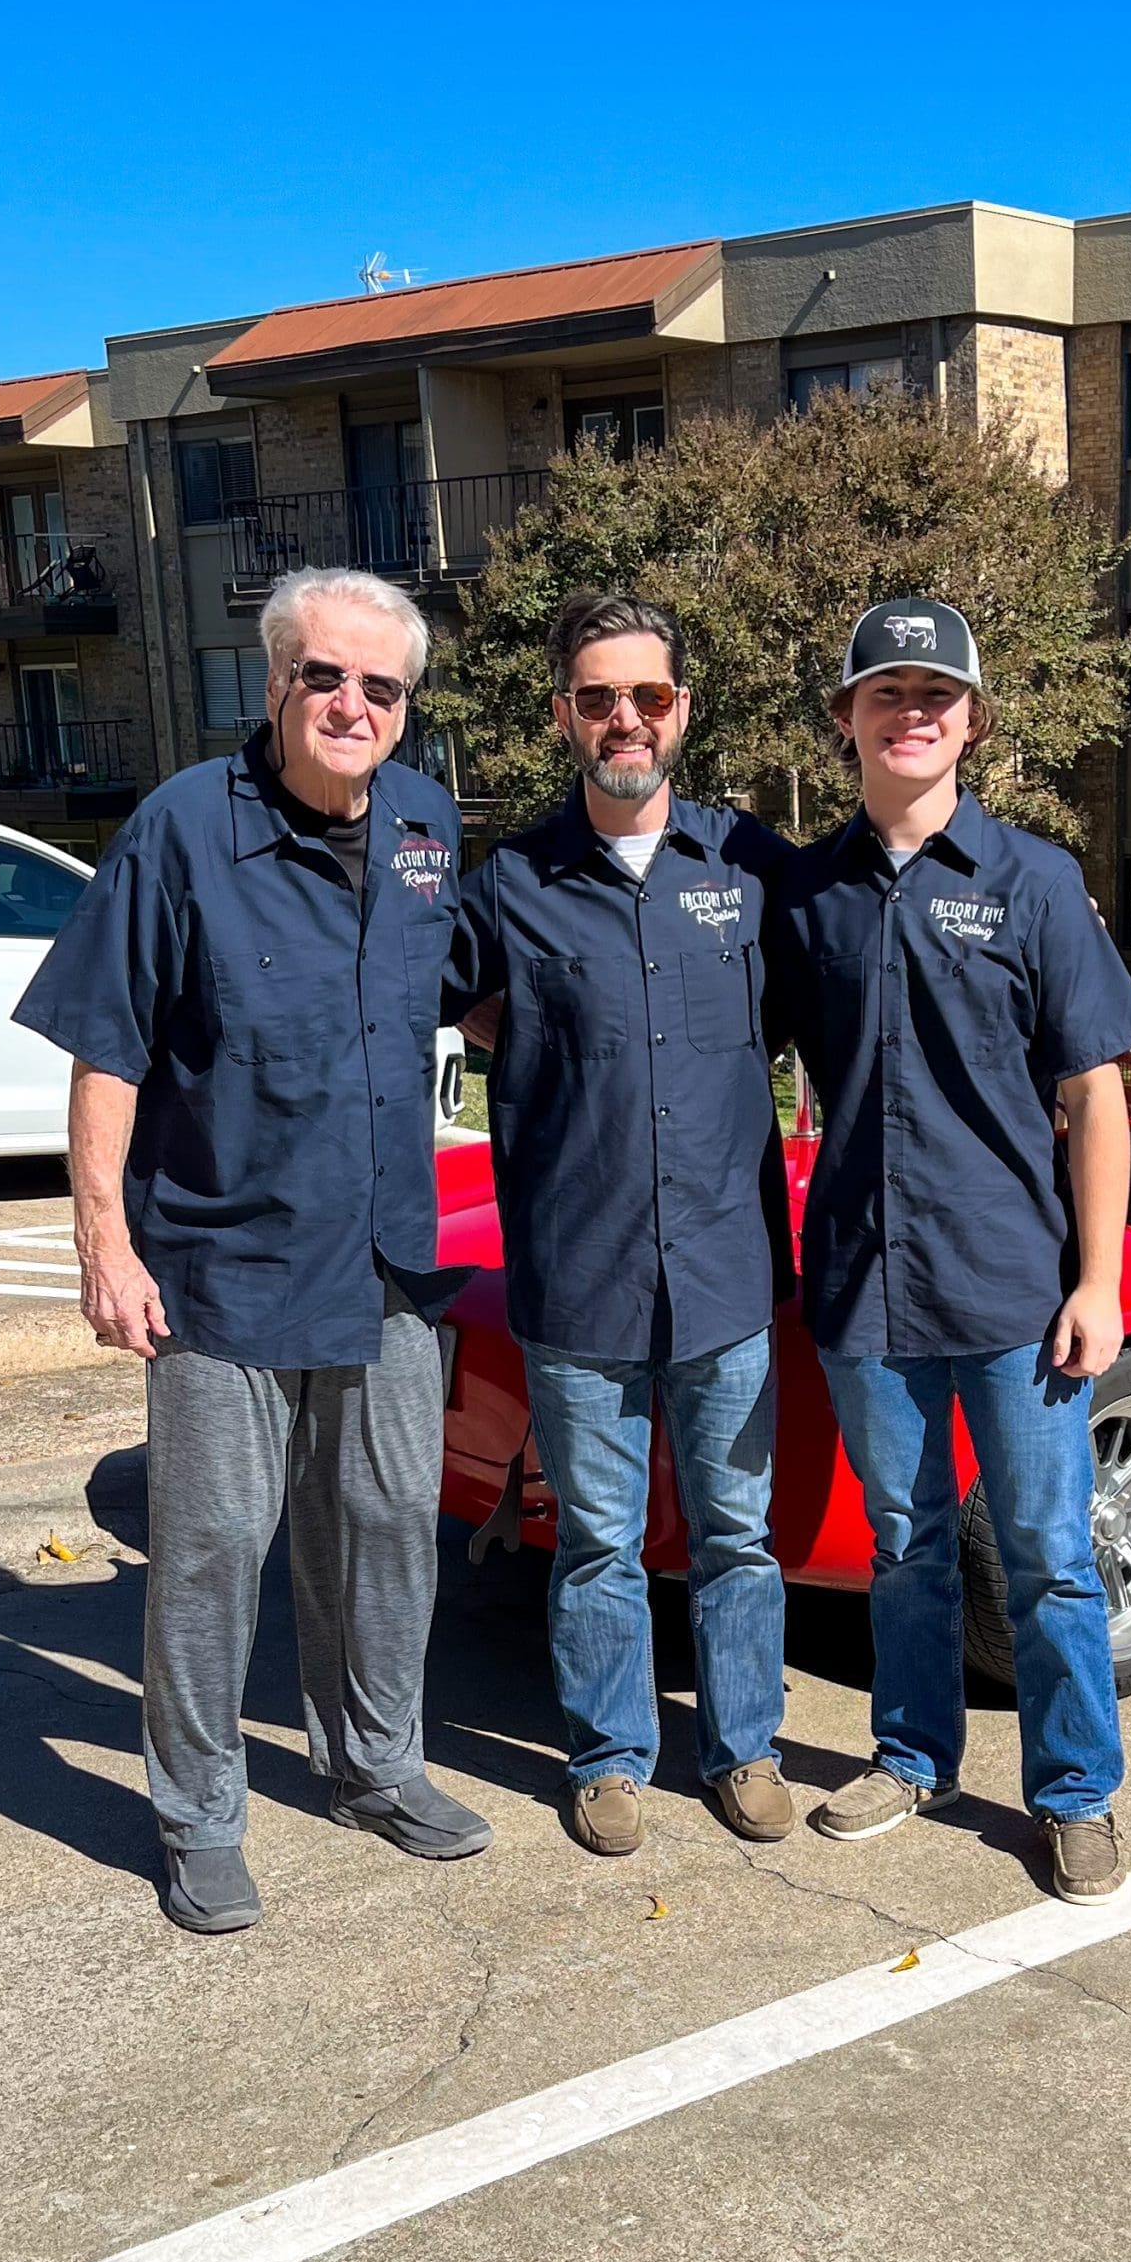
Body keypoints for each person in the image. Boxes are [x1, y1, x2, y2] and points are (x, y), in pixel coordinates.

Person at [15, 567, 491, 1936]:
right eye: (323, 676)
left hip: (388, 1260)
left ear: (405, 707)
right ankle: (199, 1817)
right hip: (222, 1264)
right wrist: (103, 1243)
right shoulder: (181, 828)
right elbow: (107, 1048)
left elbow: (468, 997)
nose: (351, 704)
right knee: (216, 1543)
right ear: (277, 682)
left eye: (380, 687)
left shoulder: (425, 826)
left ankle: (373, 1765)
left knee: (388, 1526)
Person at [775, 599, 1131, 1904]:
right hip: (865, 1283)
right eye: (885, 692)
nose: (911, 713)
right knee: (905, 1542)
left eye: (935, 695)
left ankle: (1075, 1793)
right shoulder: (804, 895)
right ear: (846, 719)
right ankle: (912, 1755)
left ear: (971, 722)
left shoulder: (1034, 882)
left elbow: (1095, 1093)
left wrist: (1099, 1281)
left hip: (1014, 1291)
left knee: (1046, 1555)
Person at [444, 592, 797, 1857]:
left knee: (735, 1537)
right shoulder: (509, 884)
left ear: (680, 709)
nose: (624, 720)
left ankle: (745, 1748)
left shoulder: (749, 867)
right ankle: (607, 1758)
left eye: (647, 696)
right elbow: (415, 991)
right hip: (579, 1276)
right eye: (597, 698)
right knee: (595, 1540)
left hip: (723, 1273)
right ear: (563, 717)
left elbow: (841, 992)